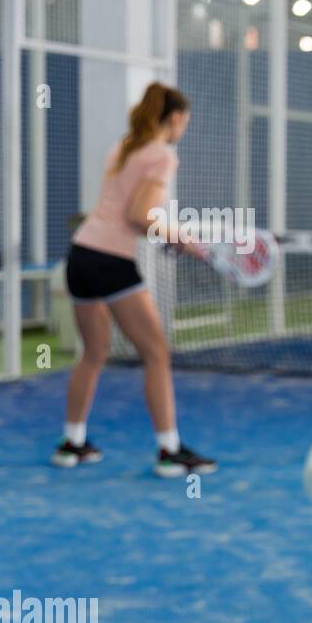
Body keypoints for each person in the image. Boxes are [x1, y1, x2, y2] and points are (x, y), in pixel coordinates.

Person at [52, 81, 218, 478]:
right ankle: (169, 451)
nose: (184, 129)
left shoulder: (124, 146)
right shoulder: (162, 155)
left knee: (93, 353)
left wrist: (164, 235)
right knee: (157, 353)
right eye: (185, 123)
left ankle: (72, 443)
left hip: (80, 255)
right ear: (175, 118)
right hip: (111, 261)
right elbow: (139, 215)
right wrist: (180, 238)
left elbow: (127, 212)